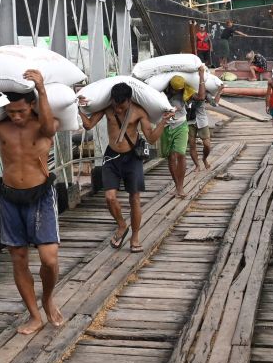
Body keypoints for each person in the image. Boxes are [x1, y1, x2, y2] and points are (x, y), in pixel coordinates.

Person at [0, 70, 63, 336]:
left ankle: (48, 298)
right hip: (9, 196)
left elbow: (51, 128)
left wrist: (41, 89)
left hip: (39, 194)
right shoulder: (0, 126)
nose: (16, 117)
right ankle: (34, 315)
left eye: (21, 111)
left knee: (49, 259)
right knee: (18, 258)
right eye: (11, 112)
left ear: (31, 106)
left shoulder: (42, 125)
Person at [79, 82, 172, 253]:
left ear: (129, 101)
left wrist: (162, 123)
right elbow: (88, 125)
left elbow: (151, 139)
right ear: (112, 100)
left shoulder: (138, 112)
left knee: (134, 199)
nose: (119, 110)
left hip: (132, 159)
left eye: (122, 106)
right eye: (116, 105)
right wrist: (76, 107)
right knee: (109, 197)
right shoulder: (108, 109)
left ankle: (135, 237)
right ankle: (122, 225)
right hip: (111, 157)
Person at [161, 71, 202, 196]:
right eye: (175, 90)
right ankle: (176, 184)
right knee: (171, 156)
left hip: (181, 124)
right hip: (165, 126)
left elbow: (200, 97)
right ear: (170, 87)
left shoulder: (186, 91)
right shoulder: (161, 90)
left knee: (180, 154)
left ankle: (180, 187)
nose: (177, 92)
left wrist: (202, 77)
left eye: (179, 90)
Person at [188, 73, 218, 170]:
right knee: (192, 145)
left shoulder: (205, 93)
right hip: (189, 121)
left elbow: (214, 104)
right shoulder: (187, 91)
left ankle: (204, 159)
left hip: (202, 120)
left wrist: (220, 91)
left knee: (207, 145)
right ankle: (197, 165)